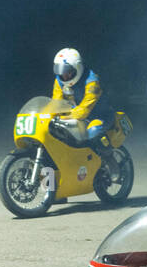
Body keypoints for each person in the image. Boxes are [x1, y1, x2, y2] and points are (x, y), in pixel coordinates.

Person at [51, 47, 119, 175]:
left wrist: (66, 117)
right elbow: (56, 102)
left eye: (67, 71)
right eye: (60, 71)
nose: (64, 75)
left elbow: (85, 108)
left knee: (92, 132)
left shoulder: (92, 80)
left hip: (100, 115)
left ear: (77, 68)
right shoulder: (59, 81)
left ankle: (109, 158)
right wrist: (49, 116)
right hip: (75, 116)